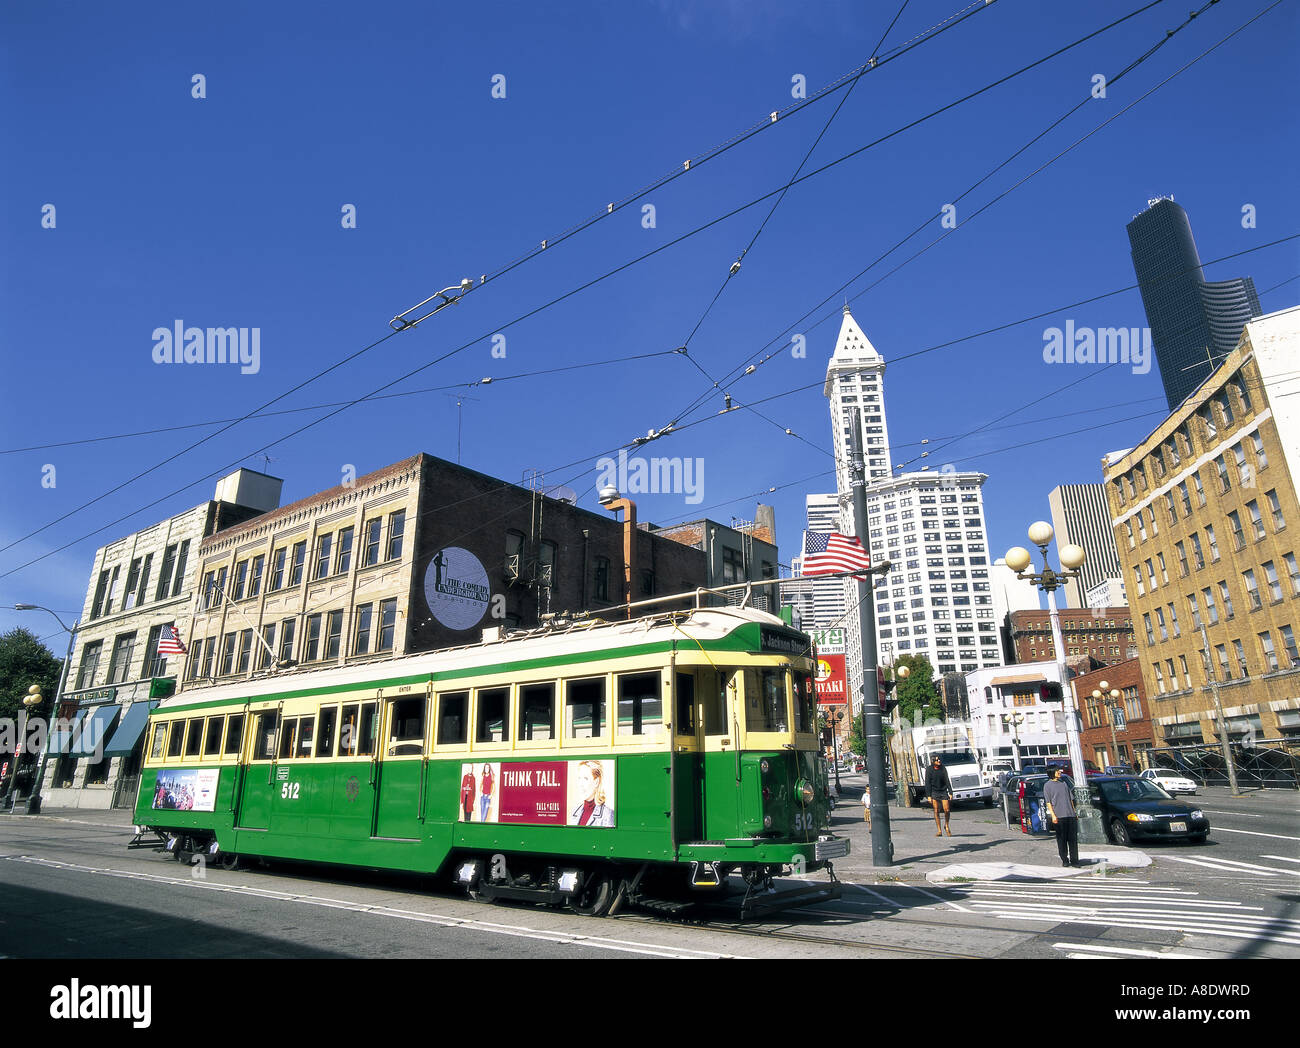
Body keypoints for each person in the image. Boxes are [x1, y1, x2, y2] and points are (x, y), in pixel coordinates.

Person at [1043, 766, 1079, 867]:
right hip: (1059, 816)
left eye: (1059, 770)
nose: (1059, 772)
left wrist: (1074, 812)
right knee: (1062, 839)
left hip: (1070, 815)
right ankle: (1065, 860)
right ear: (1052, 772)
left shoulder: (1064, 784)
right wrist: (1053, 815)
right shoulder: (1047, 785)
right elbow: (1048, 802)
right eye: (1057, 771)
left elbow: (1071, 799)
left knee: (1073, 839)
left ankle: (1075, 861)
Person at [570, 760, 614, 827]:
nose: (581, 784)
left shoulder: (608, 814)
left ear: (596, 782)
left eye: (585, 778)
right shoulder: (574, 812)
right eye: (579, 778)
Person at [925, 755, 952, 836]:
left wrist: (950, 792)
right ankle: (939, 830)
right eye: (937, 760)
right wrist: (928, 796)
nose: (939, 761)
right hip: (934, 792)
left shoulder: (943, 768)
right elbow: (927, 783)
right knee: (936, 810)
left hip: (943, 791)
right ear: (933, 762)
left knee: (946, 809)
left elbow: (947, 780)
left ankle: (946, 826)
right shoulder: (929, 769)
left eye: (939, 759)